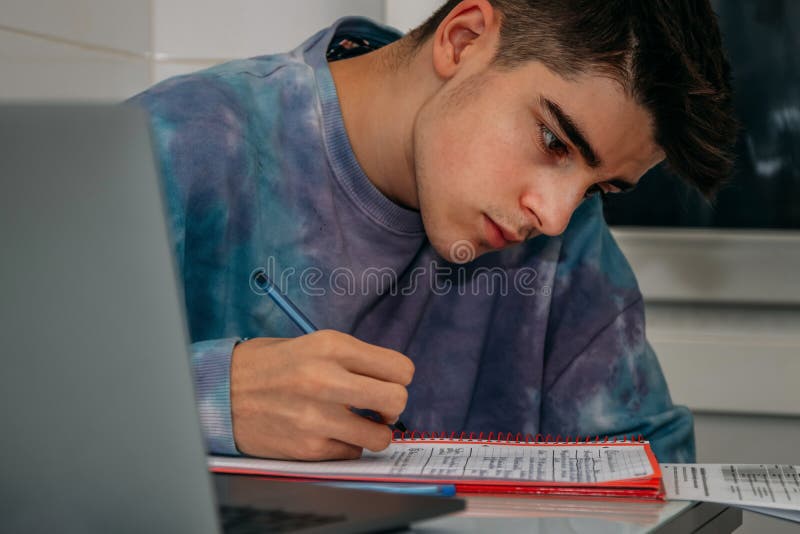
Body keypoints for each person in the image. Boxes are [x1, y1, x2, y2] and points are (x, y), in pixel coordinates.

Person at [130, 0, 736, 463]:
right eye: (553, 141)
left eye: (597, 187)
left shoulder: (568, 241)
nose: (552, 215)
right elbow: (36, 397)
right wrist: (198, 399)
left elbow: (649, 466)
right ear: (464, 38)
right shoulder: (180, 142)